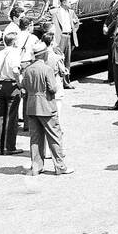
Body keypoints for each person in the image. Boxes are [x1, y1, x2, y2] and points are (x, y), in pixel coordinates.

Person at [21, 43, 72, 175]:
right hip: (46, 106)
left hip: (32, 106)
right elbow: (53, 88)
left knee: (35, 138)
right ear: (44, 54)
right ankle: (60, 166)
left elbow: (23, 86)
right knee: (54, 136)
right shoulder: (47, 69)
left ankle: (36, 166)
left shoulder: (27, 69)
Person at [0, 36, 23, 155]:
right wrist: (20, 84)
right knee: (12, 117)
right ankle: (10, 147)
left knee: (1, 117)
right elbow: (15, 70)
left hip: (0, 85)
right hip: (12, 85)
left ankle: (0, 147)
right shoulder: (15, 54)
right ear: (14, 42)